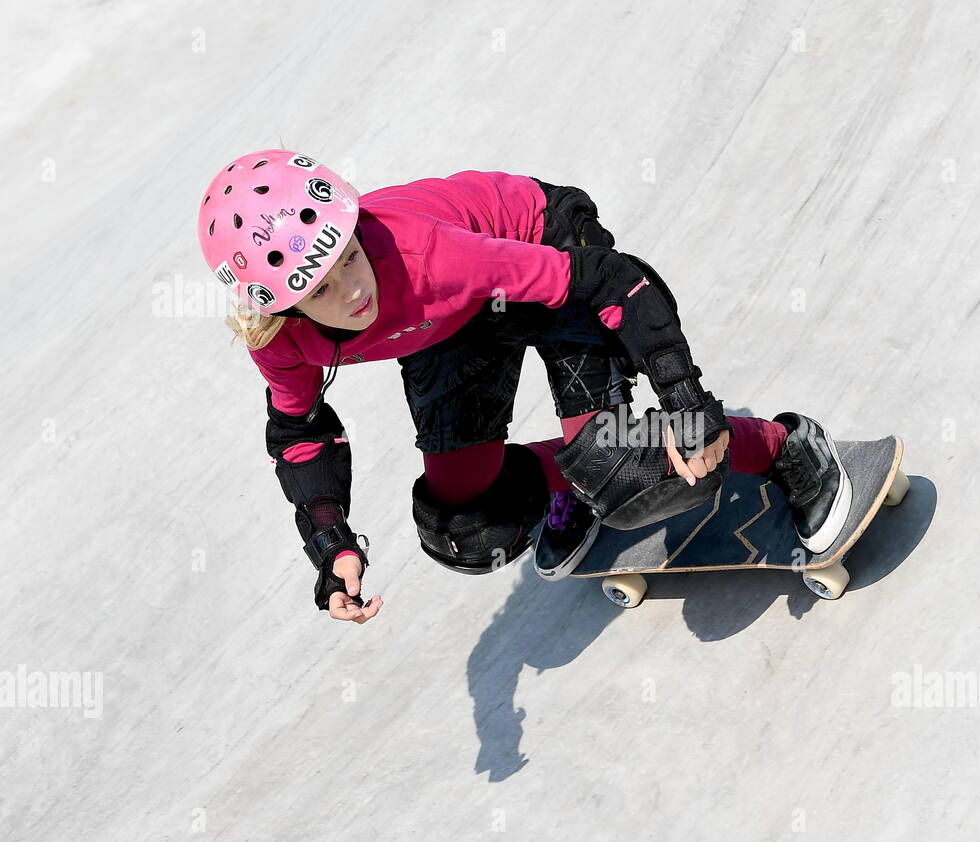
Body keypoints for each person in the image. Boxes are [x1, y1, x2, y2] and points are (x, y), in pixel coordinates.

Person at [196, 150, 851, 623]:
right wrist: (329, 540)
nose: (355, 290)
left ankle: (789, 447)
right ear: (276, 306)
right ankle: (576, 485)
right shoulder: (281, 341)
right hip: (450, 324)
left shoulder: (423, 256)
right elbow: (298, 433)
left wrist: (687, 403)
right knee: (464, 523)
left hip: (544, 247)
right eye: (324, 289)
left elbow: (614, 280)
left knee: (622, 465)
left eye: (349, 257)